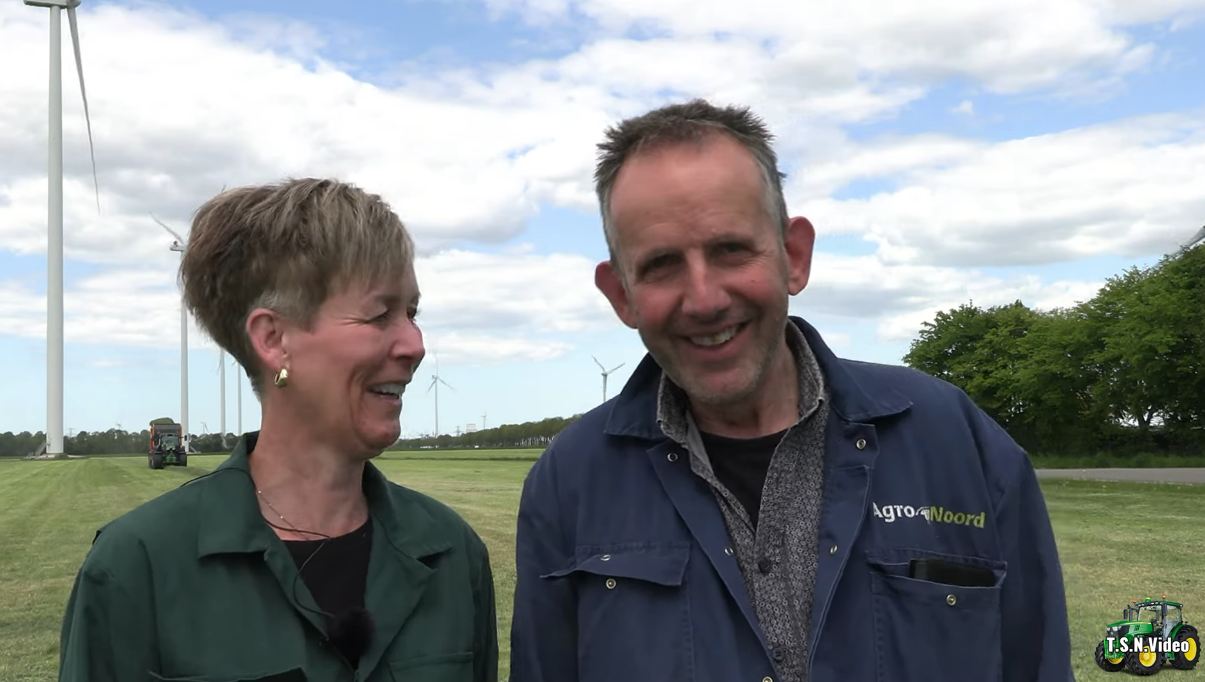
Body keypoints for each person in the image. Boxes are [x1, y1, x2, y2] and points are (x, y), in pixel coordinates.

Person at [509, 100, 1072, 682]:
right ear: (621, 294)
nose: (704, 299)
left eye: (730, 250)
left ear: (793, 255)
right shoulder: (568, 484)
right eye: (661, 265)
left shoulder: (957, 441)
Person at [59, 179, 497, 682]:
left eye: (412, 313)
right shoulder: (137, 570)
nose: (415, 345)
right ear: (274, 339)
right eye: (380, 315)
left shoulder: (451, 553)